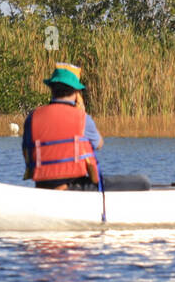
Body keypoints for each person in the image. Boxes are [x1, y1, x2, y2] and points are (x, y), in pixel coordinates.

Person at [22, 63, 149, 192]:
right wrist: (82, 111)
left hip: (42, 185)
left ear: (52, 89)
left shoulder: (32, 118)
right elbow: (98, 144)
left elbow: (26, 150)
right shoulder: (82, 118)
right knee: (143, 182)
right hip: (72, 187)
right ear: (76, 92)